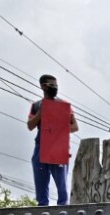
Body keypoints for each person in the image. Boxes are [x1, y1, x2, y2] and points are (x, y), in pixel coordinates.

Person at [27, 74, 78, 206]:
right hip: (40, 146)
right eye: (52, 85)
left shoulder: (64, 105)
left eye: (56, 85)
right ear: (43, 86)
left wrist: (58, 127)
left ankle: (63, 209)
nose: (55, 88)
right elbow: (30, 126)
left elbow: (75, 127)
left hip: (58, 147)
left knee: (61, 185)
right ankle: (42, 209)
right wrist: (41, 113)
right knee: (41, 183)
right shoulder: (36, 105)